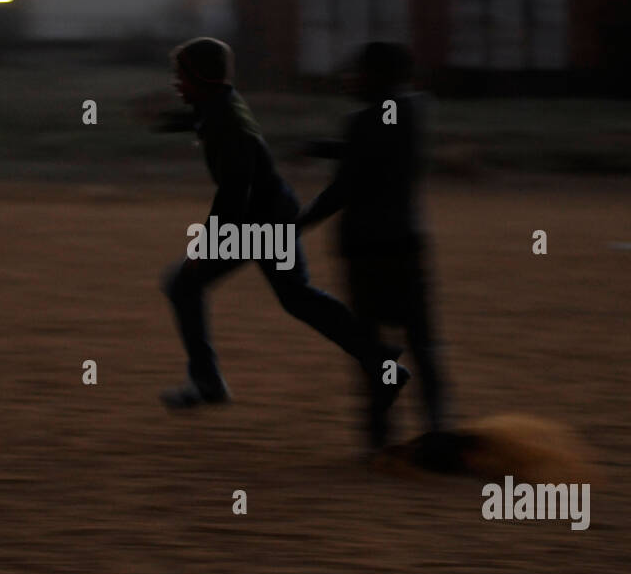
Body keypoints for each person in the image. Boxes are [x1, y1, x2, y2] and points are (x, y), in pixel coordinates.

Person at [159, 37, 407, 412]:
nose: (176, 83)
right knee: (298, 297)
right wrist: (172, 121)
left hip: (259, 223)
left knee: (183, 283)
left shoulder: (226, 125)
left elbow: (233, 196)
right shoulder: (220, 103)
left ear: (201, 77)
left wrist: (205, 247)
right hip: (269, 215)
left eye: (181, 76)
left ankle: (207, 381)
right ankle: (380, 357)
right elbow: (206, 119)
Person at [297, 42, 446, 448]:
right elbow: (378, 152)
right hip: (408, 243)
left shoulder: (361, 121)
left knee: (371, 345)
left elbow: (344, 187)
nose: (350, 78)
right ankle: (438, 429)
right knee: (423, 342)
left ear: (378, 77)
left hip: (366, 249)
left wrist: (294, 226)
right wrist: (327, 147)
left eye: (359, 72)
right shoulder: (416, 109)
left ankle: (380, 438)